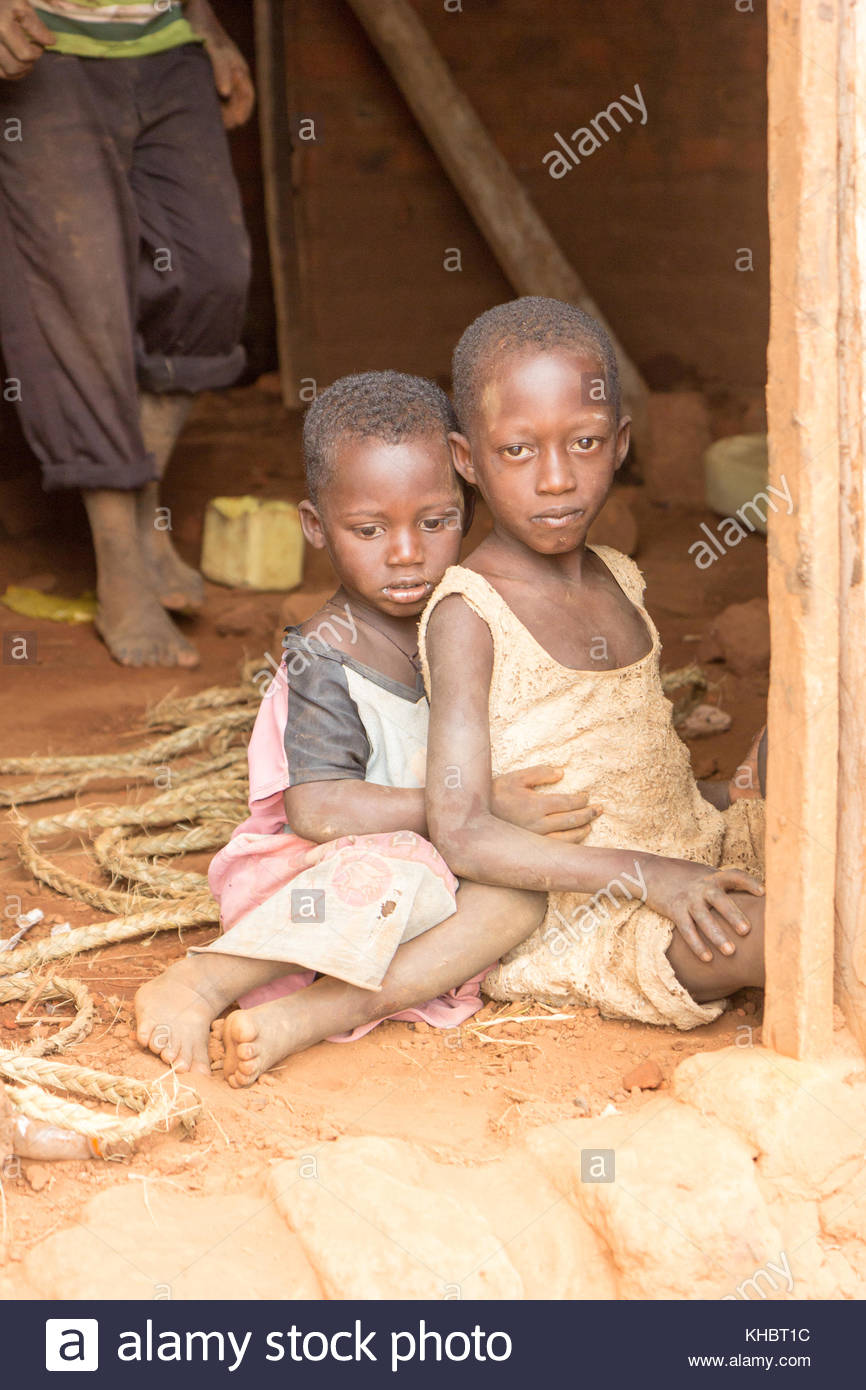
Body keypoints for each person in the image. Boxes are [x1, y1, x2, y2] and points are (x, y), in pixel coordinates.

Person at [135, 371, 598, 1082]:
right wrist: (477, 806)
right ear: (318, 527)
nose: (407, 552)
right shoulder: (329, 654)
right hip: (322, 877)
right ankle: (205, 981)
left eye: (435, 522)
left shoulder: (470, 618)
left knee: (514, 896)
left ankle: (314, 1016)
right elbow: (317, 808)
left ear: (468, 511)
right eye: (370, 529)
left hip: (436, 869)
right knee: (399, 871)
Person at [420, 297, 767, 1029]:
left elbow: (631, 769)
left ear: (619, 444)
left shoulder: (619, 574)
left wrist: (734, 793)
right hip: (590, 914)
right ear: (465, 459)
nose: (555, 479)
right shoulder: (468, 615)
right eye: (518, 449)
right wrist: (648, 877)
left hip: (693, 855)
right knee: (798, 936)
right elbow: (461, 829)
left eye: (583, 443)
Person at [0, 0, 254, 666]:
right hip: (44, 44)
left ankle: (145, 524)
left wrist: (208, 24)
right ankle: (123, 574)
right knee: (80, 300)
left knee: (212, 273)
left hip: (166, 42)